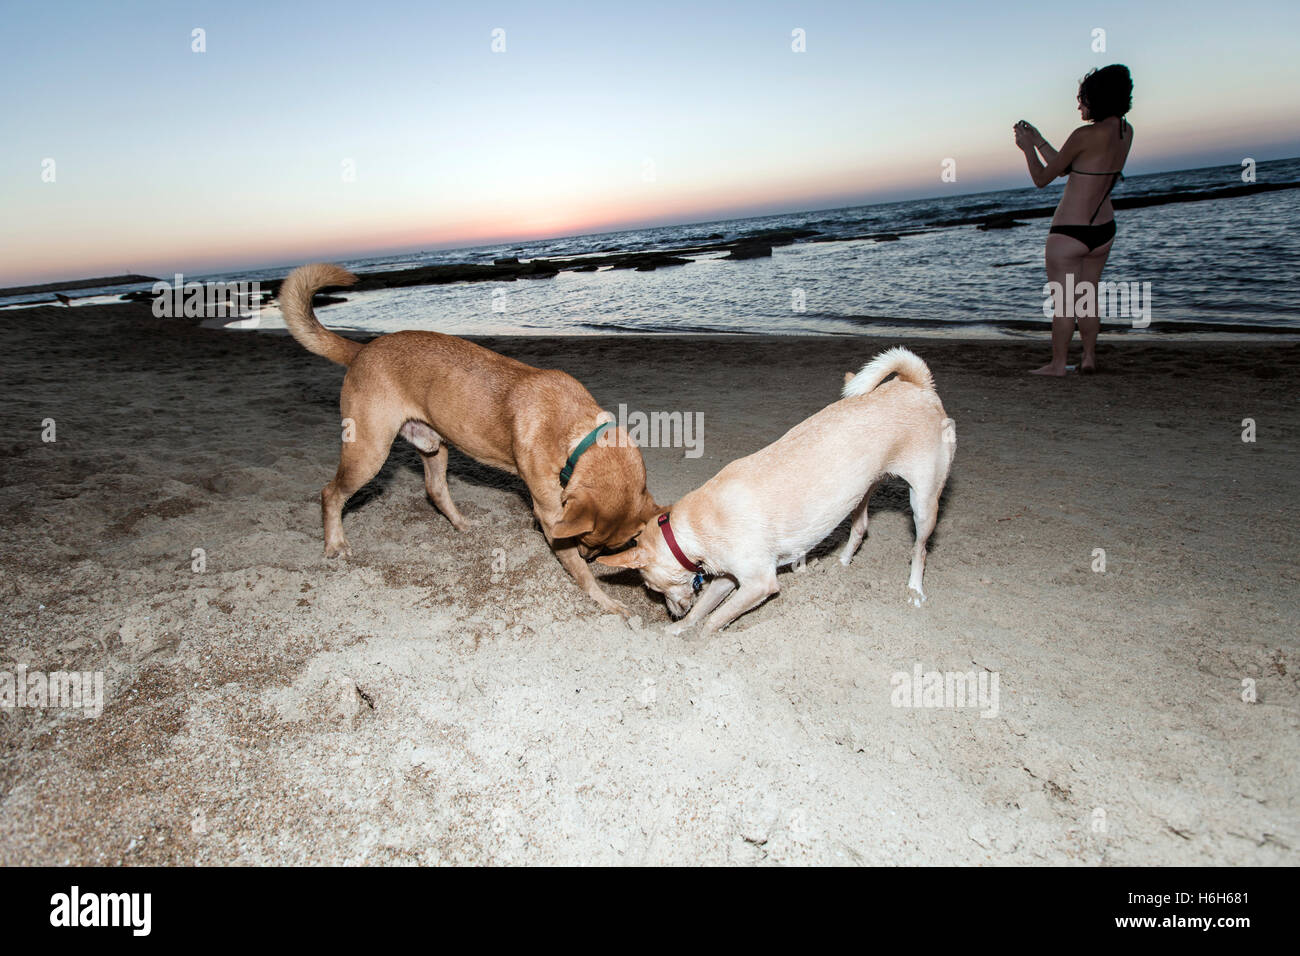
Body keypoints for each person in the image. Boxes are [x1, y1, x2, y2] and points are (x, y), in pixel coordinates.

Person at [1015, 65, 1133, 375]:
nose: (1079, 106)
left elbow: (1043, 177)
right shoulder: (1125, 131)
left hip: (1068, 233)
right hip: (1103, 230)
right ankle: (1089, 358)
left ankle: (1057, 364)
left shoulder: (1085, 134)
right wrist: (1040, 140)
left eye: (1082, 99)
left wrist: (1027, 149)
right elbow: (1068, 167)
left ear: (1098, 99)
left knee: (1065, 304)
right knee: (1088, 297)